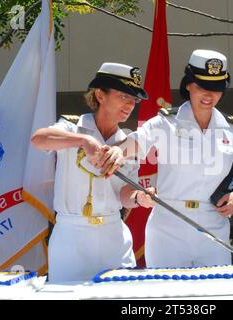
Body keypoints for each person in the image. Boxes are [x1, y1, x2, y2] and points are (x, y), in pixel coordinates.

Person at [102, 49, 233, 268]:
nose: (209, 95)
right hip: (169, 226)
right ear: (188, 84)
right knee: (167, 295)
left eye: (216, 88)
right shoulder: (167, 122)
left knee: (215, 294)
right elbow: (137, 142)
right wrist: (116, 152)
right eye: (201, 86)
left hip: (214, 227)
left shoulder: (229, 128)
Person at [31, 62, 155, 282]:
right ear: (100, 94)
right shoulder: (72, 127)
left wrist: (140, 197)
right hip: (71, 237)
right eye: (123, 96)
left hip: (113, 237)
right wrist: (83, 140)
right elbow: (39, 139)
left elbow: (124, 194)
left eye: (133, 100)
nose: (130, 104)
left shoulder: (127, 143)